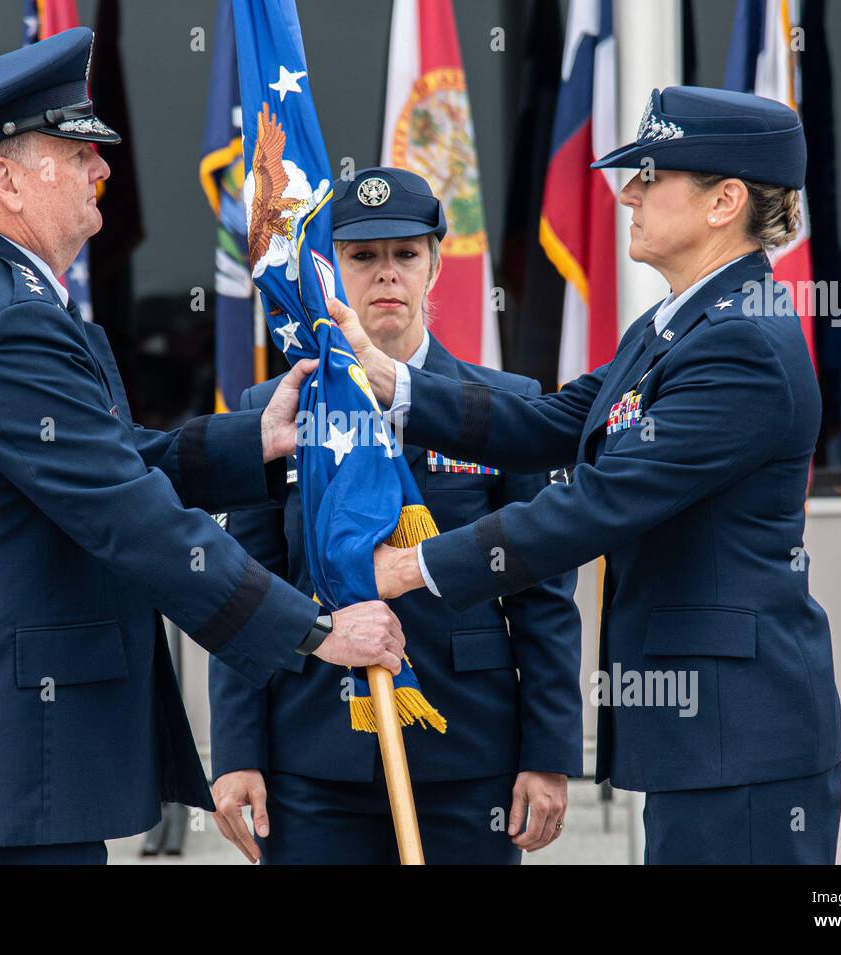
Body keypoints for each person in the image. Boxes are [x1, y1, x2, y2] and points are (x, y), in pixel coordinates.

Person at [0, 28, 405, 865]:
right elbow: (126, 515)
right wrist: (315, 629)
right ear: (5, 180)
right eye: (75, 153)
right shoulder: (5, 320)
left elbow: (103, 461)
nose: (103, 168)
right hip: (5, 768)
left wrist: (253, 441)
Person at [336, 88, 841, 864]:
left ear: (725, 201)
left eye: (649, 175)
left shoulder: (739, 346)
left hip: (742, 739)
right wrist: (392, 382)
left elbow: (598, 503)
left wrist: (413, 566)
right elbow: (549, 424)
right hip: (706, 739)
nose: (627, 192)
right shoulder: (677, 324)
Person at [208, 167, 583, 865]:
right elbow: (244, 587)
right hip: (311, 753)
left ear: (436, 264)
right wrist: (236, 753)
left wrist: (550, 752)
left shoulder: (503, 407)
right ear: (331, 269)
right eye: (362, 256)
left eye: (406, 254)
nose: (386, 275)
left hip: (466, 752)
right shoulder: (278, 408)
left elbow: (543, 595)